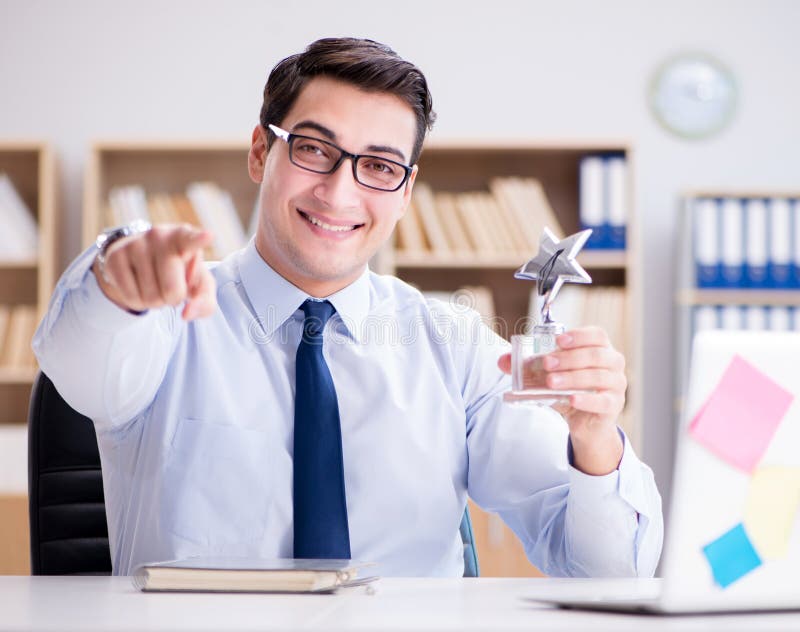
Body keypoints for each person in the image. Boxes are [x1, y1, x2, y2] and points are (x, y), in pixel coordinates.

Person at [33, 37, 663, 577]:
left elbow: (606, 570)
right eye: (312, 149)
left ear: (407, 190)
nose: (339, 191)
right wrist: (118, 280)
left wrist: (594, 438)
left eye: (380, 166)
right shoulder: (167, 317)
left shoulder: (458, 345)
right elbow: (78, 360)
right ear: (261, 152)